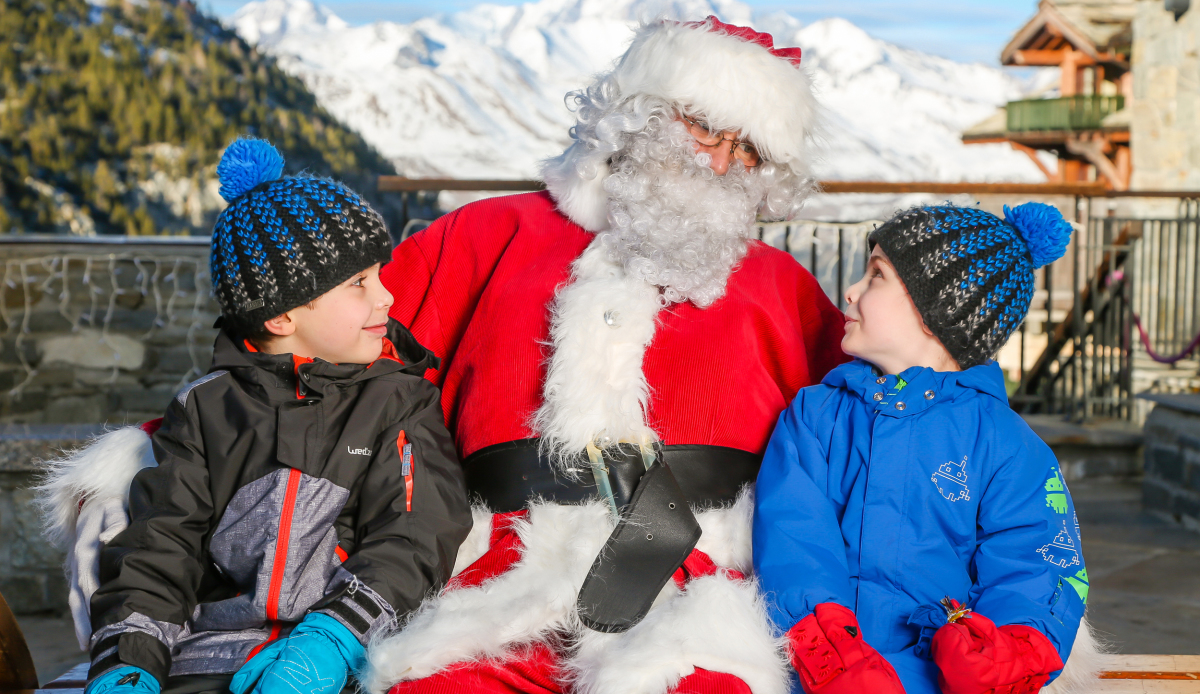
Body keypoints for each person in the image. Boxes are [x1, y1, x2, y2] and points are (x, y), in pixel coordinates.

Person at [360, 15, 846, 694]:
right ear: (637, 113)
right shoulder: (483, 234)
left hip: (697, 593)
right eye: (704, 126)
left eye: (750, 150)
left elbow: (880, 420)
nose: (719, 162)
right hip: (499, 575)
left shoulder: (781, 286)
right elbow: (342, 359)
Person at [44, 140, 472, 694]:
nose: (387, 298)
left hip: (342, 658)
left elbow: (415, 532)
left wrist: (334, 638)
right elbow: (161, 544)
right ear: (281, 314)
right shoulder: (205, 409)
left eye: (379, 275)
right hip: (203, 658)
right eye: (359, 283)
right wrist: (129, 659)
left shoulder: (396, 401)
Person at [752, 203, 1101, 694]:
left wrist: (1003, 654)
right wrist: (832, 655)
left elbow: (1037, 561)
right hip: (818, 674)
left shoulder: (1006, 446)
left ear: (938, 310)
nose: (850, 291)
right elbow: (794, 538)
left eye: (876, 275)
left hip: (938, 681)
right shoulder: (815, 418)